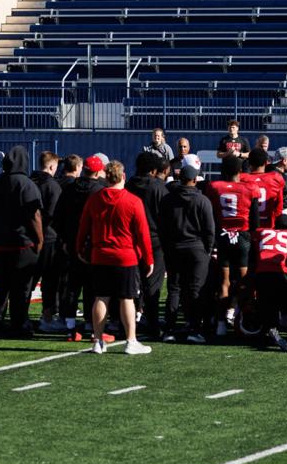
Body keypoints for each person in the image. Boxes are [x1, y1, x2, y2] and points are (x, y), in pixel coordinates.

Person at [76, 160, 153, 355]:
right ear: (123, 177)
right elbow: (143, 233)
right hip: (125, 256)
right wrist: (149, 258)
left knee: (101, 297)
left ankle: (98, 340)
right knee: (127, 299)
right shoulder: (133, 201)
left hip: (100, 254)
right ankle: (131, 340)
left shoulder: (94, 199)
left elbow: (83, 227)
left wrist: (80, 249)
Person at [0, 146, 43, 337]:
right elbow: (34, 214)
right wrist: (39, 239)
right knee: (21, 287)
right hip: (21, 243)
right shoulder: (26, 184)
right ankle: (19, 324)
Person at [159, 163, 216, 344]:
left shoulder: (168, 199)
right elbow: (209, 229)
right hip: (196, 248)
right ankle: (193, 328)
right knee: (195, 289)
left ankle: (169, 329)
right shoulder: (202, 200)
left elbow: (163, 227)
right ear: (194, 179)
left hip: (174, 247)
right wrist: (207, 249)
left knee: (174, 289)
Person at [206, 155, 259, 337]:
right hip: (243, 238)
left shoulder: (214, 187)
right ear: (240, 171)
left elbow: (211, 214)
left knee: (224, 283)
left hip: (223, 237)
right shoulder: (250, 188)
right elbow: (255, 220)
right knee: (244, 283)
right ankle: (241, 319)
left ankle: (221, 325)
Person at [56, 155, 104, 336]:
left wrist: (65, 239)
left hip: (72, 242)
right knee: (92, 286)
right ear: (98, 172)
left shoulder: (69, 189)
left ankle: (69, 325)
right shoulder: (99, 191)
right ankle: (91, 324)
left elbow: (58, 216)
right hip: (92, 244)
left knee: (72, 286)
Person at [126, 150, 169, 337]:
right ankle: (151, 322)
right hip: (154, 241)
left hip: (131, 240)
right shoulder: (158, 188)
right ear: (153, 170)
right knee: (152, 286)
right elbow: (166, 216)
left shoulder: (129, 185)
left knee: (131, 285)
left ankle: (130, 319)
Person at [249, 214, 287, 351]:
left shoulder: (261, 232)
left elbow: (253, 254)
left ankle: (269, 328)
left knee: (266, 301)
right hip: (282, 273)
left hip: (262, 274)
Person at [29, 151, 63, 331]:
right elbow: (53, 213)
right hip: (48, 238)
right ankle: (47, 317)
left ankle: (20, 316)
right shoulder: (52, 186)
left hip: (28, 236)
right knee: (50, 280)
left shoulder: (29, 181)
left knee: (28, 280)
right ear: (51, 166)